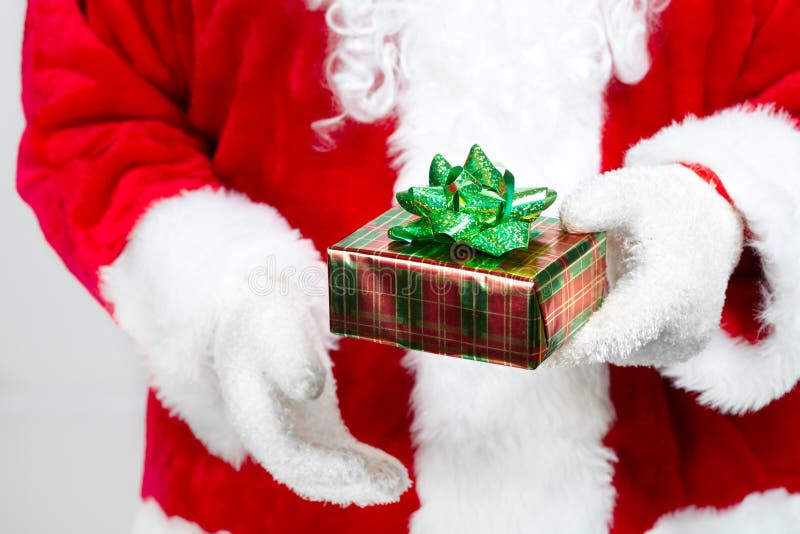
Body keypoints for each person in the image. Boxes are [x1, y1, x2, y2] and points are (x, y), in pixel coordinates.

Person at [17, 0, 800, 532]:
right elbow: (93, 108)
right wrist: (220, 292)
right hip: (291, 500)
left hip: (693, 491)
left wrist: (732, 208)